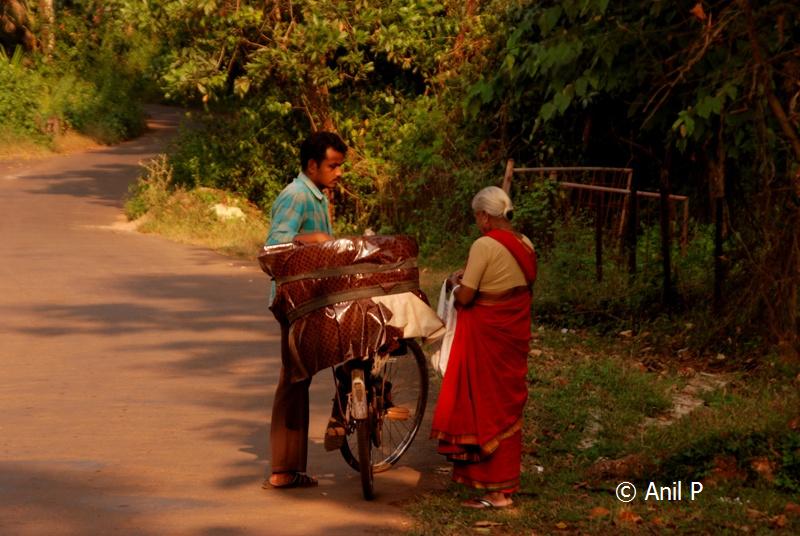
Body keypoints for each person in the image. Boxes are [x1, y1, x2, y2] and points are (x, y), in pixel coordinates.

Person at [430, 186, 537, 509]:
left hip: (487, 337)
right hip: (513, 334)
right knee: (505, 408)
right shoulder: (525, 243)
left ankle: (497, 493)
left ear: (484, 216)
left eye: (477, 216)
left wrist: (452, 281)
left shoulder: (484, 244)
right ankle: (500, 488)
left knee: (486, 407)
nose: (478, 222)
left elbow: (466, 297)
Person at [264, 131, 347, 489]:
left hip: (316, 295)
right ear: (312, 165)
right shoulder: (296, 196)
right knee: (294, 376)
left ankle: (343, 418)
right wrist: (311, 240)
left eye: (340, 166)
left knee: (339, 353)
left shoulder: (318, 196)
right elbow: (273, 249)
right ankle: (284, 468)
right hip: (295, 299)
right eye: (332, 166)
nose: (338, 173)